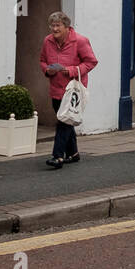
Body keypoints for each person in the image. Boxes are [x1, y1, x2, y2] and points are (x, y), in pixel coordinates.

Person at [40, 11, 98, 169]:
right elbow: (43, 60)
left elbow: (91, 62)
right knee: (67, 120)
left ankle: (57, 156)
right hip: (56, 88)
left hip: (73, 89)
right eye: (52, 25)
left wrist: (71, 70)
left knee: (64, 121)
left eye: (58, 25)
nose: (54, 29)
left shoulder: (80, 41)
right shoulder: (47, 41)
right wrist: (47, 70)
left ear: (66, 27)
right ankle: (73, 154)